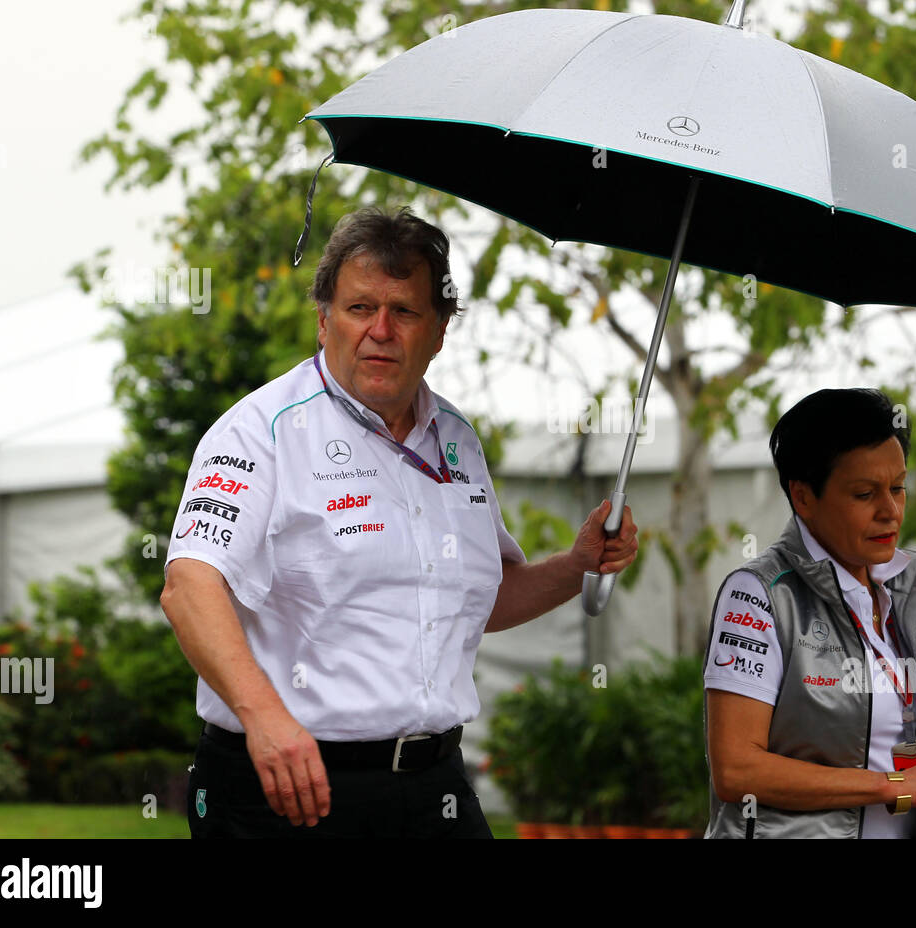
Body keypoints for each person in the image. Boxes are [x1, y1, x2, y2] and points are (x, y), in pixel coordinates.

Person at [161, 205, 638, 838]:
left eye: (405, 311)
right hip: (288, 790)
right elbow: (189, 586)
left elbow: (479, 599)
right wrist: (266, 718)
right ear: (324, 318)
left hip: (433, 788)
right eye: (360, 308)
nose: (381, 330)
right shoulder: (262, 431)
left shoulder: (457, 439)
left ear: (439, 332)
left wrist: (575, 566)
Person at [703, 388, 916, 839]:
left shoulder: (906, 588)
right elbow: (737, 770)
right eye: (864, 493)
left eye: (898, 487)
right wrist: (893, 786)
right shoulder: (759, 594)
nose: (890, 510)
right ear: (803, 497)